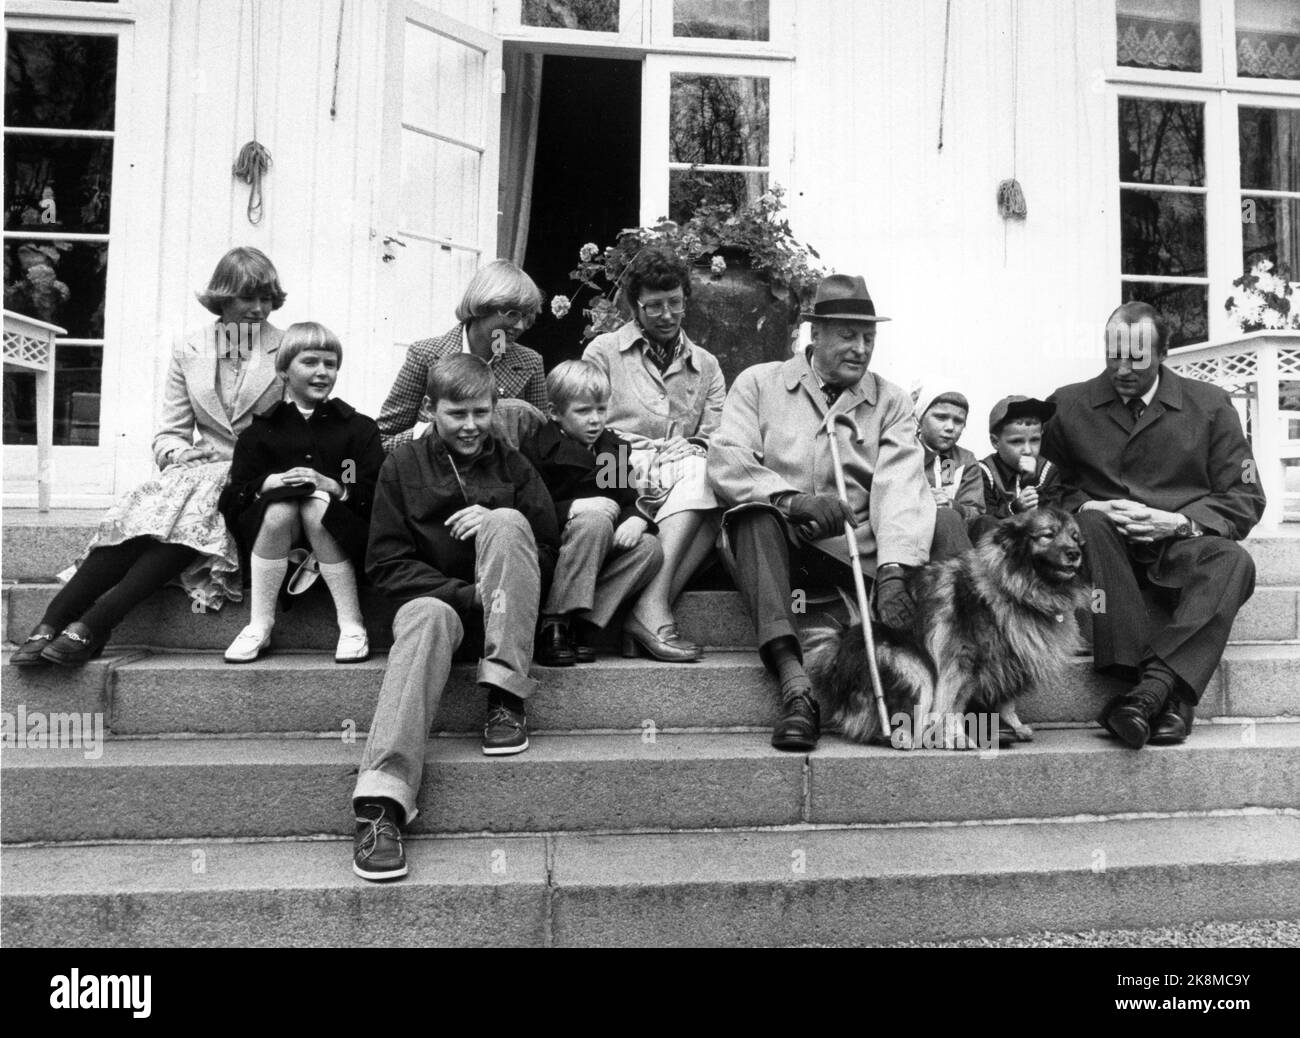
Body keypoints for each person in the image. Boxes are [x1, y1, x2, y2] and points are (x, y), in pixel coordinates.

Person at [11, 247, 288, 667]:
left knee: (189, 518)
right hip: (196, 471)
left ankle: (96, 623)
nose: (258, 309)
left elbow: (297, 428)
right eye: (247, 298)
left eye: (266, 298)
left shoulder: (286, 348)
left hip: (252, 476)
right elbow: (170, 433)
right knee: (136, 521)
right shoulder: (189, 348)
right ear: (222, 297)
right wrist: (179, 453)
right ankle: (53, 621)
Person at [351, 354, 558, 881]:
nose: (470, 426)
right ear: (430, 409)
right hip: (437, 613)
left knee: (508, 520)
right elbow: (386, 564)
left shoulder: (513, 465)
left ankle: (505, 698)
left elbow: (548, 550)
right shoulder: (402, 465)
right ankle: (381, 805)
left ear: (495, 408)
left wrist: (498, 529)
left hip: (506, 623)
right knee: (428, 615)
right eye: (456, 413)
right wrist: (468, 595)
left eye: (481, 412)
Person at [707, 274, 935, 751]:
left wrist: (894, 568)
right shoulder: (759, 383)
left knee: (947, 524)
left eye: (869, 338)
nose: (861, 349)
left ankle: (957, 690)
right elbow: (728, 459)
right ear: (816, 334)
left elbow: (899, 485)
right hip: (780, 544)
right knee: (752, 517)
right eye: (848, 336)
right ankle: (797, 690)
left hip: (856, 549)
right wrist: (791, 500)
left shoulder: (891, 401)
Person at [1041, 302, 1265, 749]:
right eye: (1114, 355)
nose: (1122, 369)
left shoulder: (1210, 405)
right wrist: (1090, 506)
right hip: (1101, 560)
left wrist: (1179, 523)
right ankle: (1169, 696)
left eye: (1137, 358)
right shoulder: (1066, 405)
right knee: (1093, 526)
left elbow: (1245, 497)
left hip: (1177, 550)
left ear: (1164, 353)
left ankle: (1147, 694)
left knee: (1234, 561)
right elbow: (1044, 493)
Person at [582, 246, 726, 662]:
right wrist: (644, 453)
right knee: (701, 490)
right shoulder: (603, 351)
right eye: (654, 306)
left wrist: (696, 445)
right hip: (613, 465)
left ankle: (647, 605)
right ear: (635, 306)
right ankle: (648, 611)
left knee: (710, 477)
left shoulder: (707, 365)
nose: (667, 315)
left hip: (680, 470)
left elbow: (719, 434)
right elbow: (586, 421)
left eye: (675, 303)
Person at [218, 322, 384, 664]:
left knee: (316, 505)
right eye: (310, 362)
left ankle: (352, 624)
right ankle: (260, 624)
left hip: (343, 537)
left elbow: (374, 495)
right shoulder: (260, 433)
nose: (322, 372)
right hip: (277, 539)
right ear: (283, 372)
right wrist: (267, 484)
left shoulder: (358, 429)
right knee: (281, 508)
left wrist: (335, 486)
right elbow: (232, 500)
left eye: (330, 364)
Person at [520, 360, 664, 666]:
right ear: (555, 412)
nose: (595, 420)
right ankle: (554, 623)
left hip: (598, 550)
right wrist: (574, 508)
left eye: (601, 409)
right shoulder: (539, 449)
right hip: (556, 548)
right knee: (595, 521)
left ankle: (584, 623)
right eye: (583, 411)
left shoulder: (610, 449)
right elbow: (528, 508)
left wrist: (636, 519)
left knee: (650, 548)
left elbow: (626, 498)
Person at [376, 259, 547, 451]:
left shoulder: (530, 362)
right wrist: (430, 432)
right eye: (512, 314)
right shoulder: (425, 355)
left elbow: (543, 445)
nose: (520, 326)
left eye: (526, 316)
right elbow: (383, 442)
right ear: (483, 306)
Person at [969, 395, 1062, 543]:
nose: (1028, 450)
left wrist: (1032, 481)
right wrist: (1015, 507)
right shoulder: (984, 471)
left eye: (1035, 440)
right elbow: (984, 518)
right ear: (995, 442)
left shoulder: (1048, 470)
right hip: (1001, 547)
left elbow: (1055, 515)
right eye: (1017, 441)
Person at [916, 390, 983, 554]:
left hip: (954, 534)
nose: (950, 427)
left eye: (958, 421)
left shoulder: (962, 460)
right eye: (941, 417)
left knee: (985, 523)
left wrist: (952, 505)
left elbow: (975, 511)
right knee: (946, 516)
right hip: (912, 534)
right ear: (919, 418)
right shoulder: (905, 452)